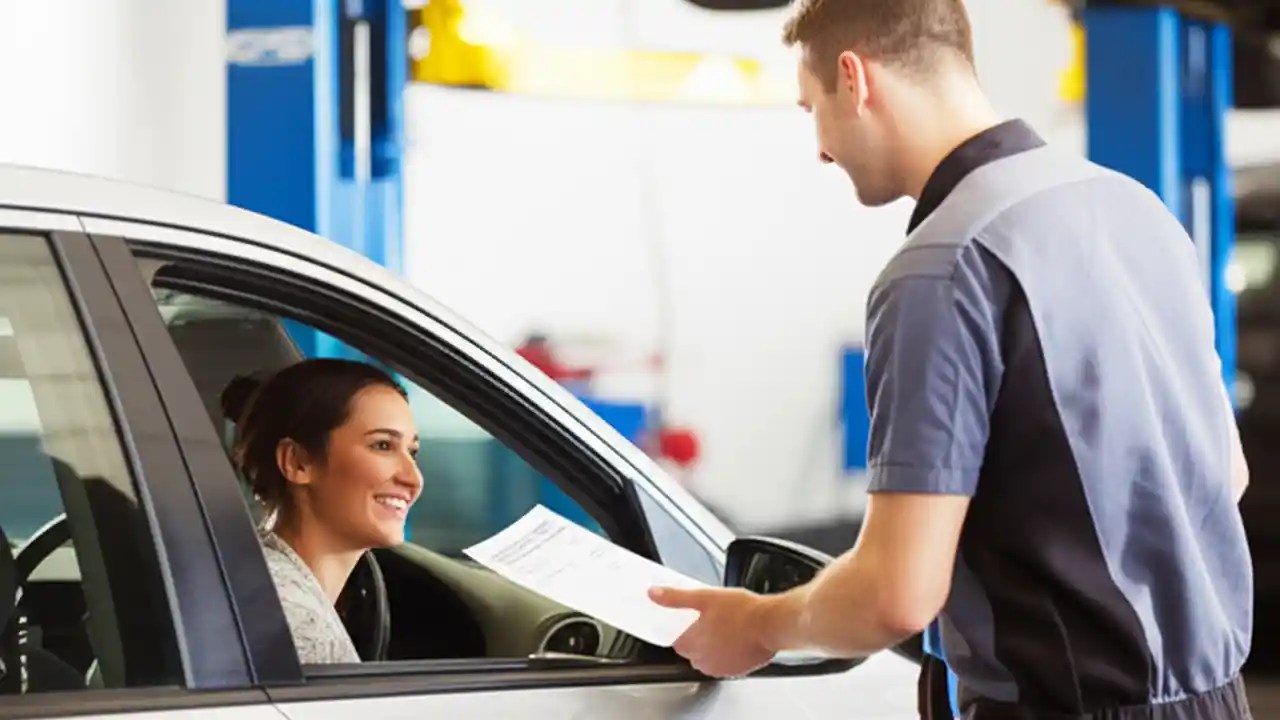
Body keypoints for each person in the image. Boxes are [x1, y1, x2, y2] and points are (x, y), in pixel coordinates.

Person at [649, 0, 1255, 717]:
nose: (819, 147)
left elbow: (894, 596)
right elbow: (1226, 473)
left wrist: (753, 625)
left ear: (855, 78)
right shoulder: (1136, 210)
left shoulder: (941, 267)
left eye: (811, 108)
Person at [221, 358, 424, 665]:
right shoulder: (294, 625)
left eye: (412, 452)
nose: (413, 479)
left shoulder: (261, 582)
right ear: (297, 462)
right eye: (382, 446)